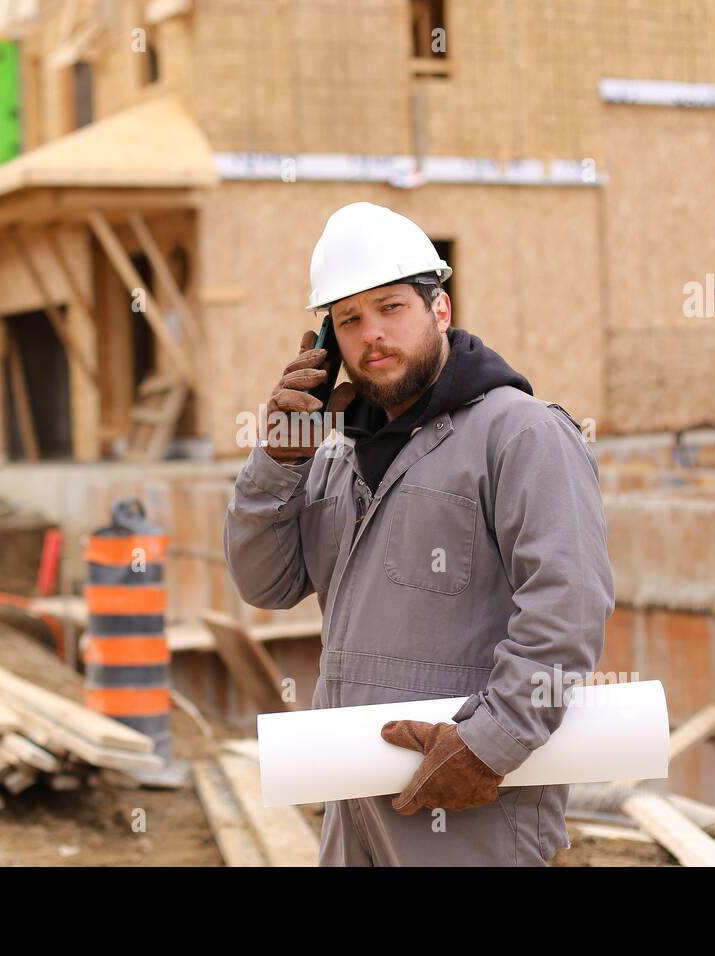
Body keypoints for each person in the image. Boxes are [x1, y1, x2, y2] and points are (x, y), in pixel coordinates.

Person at [223, 201, 615, 866]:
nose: (372, 334)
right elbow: (265, 584)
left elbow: (568, 608)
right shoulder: (336, 456)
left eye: (391, 307)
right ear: (328, 343)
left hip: (468, 801)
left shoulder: (522, 434)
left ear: (440, 310)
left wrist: (490, 745)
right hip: (357, 794)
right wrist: (278, 461)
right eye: (349, 319)